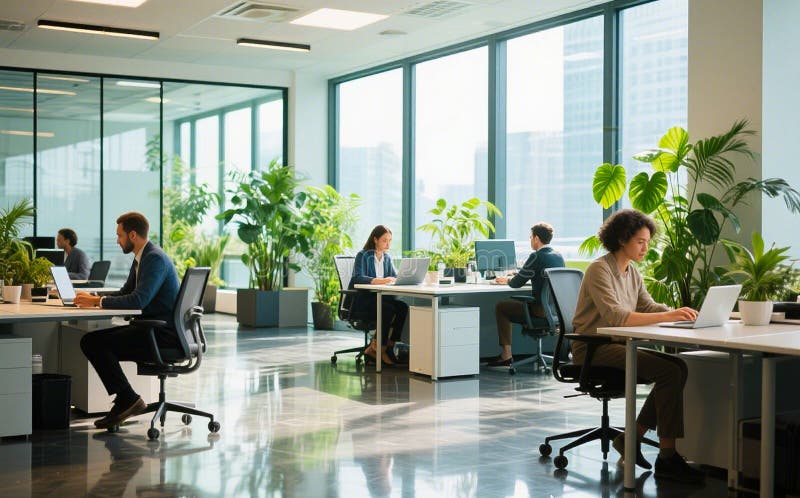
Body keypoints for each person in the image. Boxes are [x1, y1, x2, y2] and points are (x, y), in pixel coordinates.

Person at [572, 208, 704, 483]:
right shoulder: (600, 270)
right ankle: (667, 457)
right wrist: (668, 316)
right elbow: (616, 317)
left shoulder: (632, 272)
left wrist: (680, 313)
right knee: (669, 371)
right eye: (640, 242)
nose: (646, 247)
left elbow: (647, 306)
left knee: (677, 366)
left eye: (647, 241)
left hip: (620, 345)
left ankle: (630, 438)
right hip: (593, 347)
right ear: (622, 239)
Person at [75, 212, 180, 430]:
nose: (117, 240)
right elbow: (126, 292)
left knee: (93, 343)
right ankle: (127, 398)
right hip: (153, 330)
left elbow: (139, 299)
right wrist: (94, 298)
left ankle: (127, 399)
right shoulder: (143, 257)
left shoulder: (154, 259)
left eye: (119, 235)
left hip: (162, 335)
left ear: (132, 235)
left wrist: (98, 302)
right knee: (94, 341)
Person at [487, 222, 565, 367]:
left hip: (540, 311)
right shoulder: (558, 256)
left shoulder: (536, 256)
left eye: (530, 237)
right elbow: (531, 273)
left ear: (536, 238)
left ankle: (506, 355)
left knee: (501, 307)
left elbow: (516, 283)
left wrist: (507, 279)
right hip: (555, 310)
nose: (530, 240)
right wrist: (518, 273)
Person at [349, 225, 409, 366]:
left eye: (389, 241)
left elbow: (394, 276)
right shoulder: (363, 255)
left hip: (380, 298)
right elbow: (357, 278)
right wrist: (380, 280)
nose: (388, 244)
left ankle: (386, 347)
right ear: (375, 239)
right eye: (384, 240)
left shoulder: (387, 258)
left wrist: (403, 278)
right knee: (387, 309)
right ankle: (379, 350)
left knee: (402, 308)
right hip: (364, 301)